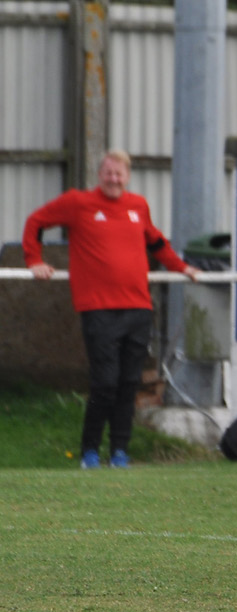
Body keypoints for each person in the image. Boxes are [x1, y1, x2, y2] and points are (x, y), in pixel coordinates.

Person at [22, 149, 201, 469]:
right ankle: (90, 451)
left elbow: (156, 242)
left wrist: (182, 268)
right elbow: (36, 222)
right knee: (105, 383)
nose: (114, 179)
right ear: (99, 174)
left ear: (127, 176)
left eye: (119, 174)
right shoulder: (78, 202)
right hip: (99, 309)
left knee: (128, 383)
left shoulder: (138, 206)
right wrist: (34, 260)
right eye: (108, 173)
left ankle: (120, 452)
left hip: (138, 307)